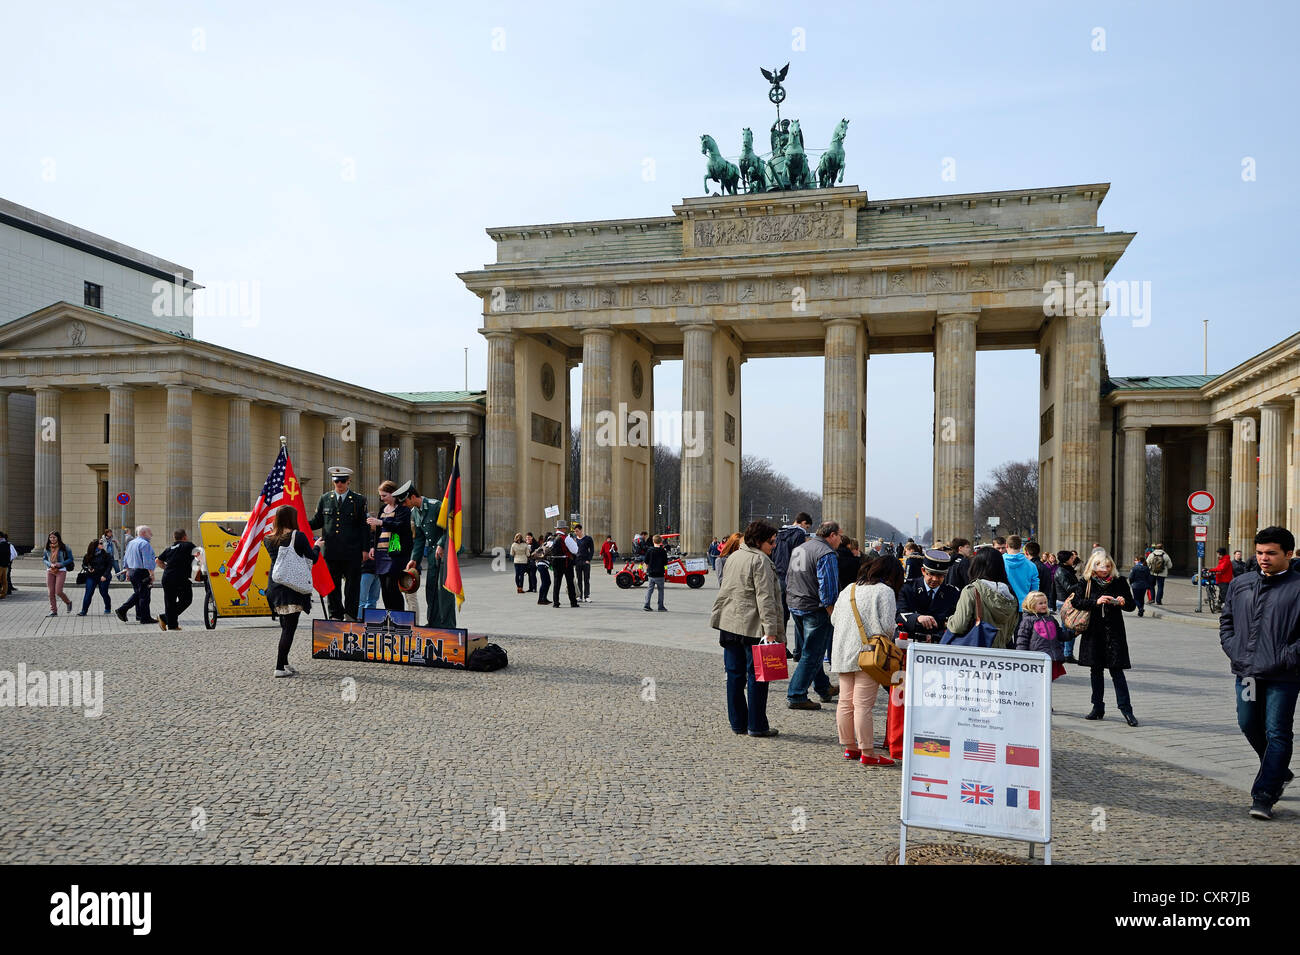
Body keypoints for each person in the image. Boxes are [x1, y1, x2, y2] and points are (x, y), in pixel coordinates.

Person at [1219, 526, 1300, 820]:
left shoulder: (1298, 586)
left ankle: (1264, 794)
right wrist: (1233, 648)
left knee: (1277, 731)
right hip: (1249, 673)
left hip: (1283, 675)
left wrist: (1286, 657)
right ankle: (1280, 770)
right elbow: (1226, 620)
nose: (1263, 558)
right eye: (1260, 552)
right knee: (1248, 723)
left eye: (1271, 553)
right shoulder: (1242, 583)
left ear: (1288, 554)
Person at [710, 520, 783, 738]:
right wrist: (771, 630)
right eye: (771, 542)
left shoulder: (733, 556)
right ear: (759, 540)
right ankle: (757, 725)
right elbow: (765, 598)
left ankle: (738, 723)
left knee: (734, 676)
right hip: (753, 627)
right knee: (758, 677)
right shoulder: (761, 561)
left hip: (729, 624)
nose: (774, 546)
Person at [831, 554, 903, 764]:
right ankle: (868, 752)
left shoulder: (849, 589)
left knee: (845, 702)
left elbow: (834, 619)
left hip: (843, 650)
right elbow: (889, 627)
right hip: (870, 653)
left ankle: (850, 747)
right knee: (863, 705)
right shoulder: (885, 591)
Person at [1072, 550, 1138, 725]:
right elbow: (1076, 602)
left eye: (1108, 566)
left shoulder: (1119, 581)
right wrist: (1096, 601)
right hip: (1093, 632)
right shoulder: (1085, 582)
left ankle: (1126, 710)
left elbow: (1132, 606)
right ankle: (1097, 707)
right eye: (1102, 567)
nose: (1105, 570)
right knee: (1096, 671)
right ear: (1094, 566)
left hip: (1114, 632)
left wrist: (1123, 602)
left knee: (1117, 671)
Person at [785, 521, 843, 709]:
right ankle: (796, 694)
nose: (841, 541)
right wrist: (832, 612)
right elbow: (828, 587)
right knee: (813, 653)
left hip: (796, 604)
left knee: (809, 650)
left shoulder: (800, 548)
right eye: (840, 536)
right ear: (832, 535)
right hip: (814, 608)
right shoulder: (826, 553)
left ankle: (823, 687)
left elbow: (789, 577)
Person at [263, 504, 320, 678]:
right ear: (291, 518)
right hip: (291, 588)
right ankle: (279, 667)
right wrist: (317, 546)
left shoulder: (268, 538)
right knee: (289, 629)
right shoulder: (298, 536)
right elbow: (313, 558)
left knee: (285, 626)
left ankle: (285, 663)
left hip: (275, 586)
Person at [309, 465, 368, 622]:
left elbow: (363, 526)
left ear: (349, 482)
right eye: (336, 482)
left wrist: (365, 549)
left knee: (352, 586)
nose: (339, 485)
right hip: (332, 550)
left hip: (352, 550)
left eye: (342, 481)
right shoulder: (325, 498)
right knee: (332, 585)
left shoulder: (358, 500)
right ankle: (335, 614)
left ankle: (350, 615)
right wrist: (300, 522)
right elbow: (318, 521)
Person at [398, 481, 457, 629]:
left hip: (445, 555)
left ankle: (447, 625)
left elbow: (450, 526)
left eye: (405, 501)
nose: (404, 505)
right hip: (432, 557)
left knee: (444, 592)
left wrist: (441, 543)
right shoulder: (415, 513)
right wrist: (414, 560)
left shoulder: (435, 505)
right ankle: (433, 623)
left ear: (412, 496)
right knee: (431, 590)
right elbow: (419, 539)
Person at [946, 546, 1019, 648]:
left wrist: (949, 621)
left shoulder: (972, 591)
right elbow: (1008, 636)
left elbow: (958, 626)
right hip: (1000, 654)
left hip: (975, 653)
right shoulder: (1011, 595)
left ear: (976, 566)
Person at [896, 548, 961, 642]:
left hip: (940, 644)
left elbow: (956, 621)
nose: (935, 579)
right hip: (911, 641)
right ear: (923, 571)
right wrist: (917, 618)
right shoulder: (908, 588)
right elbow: (899, 614)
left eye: (939, 575)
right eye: (931, 574)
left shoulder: (953, 593)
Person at [366, 480, 412, 612]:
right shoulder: (382, 509)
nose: (382, 498)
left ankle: (399, 617)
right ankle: (389, 616)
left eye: (384, 495)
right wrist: (373, 547)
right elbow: (379, 532)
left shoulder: (403, 510)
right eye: (380, 496)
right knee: (385, 589)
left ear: (393, 494)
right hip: (381, 552)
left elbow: (399, 526)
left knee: (392, 586)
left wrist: (380, 522)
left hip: (395, 554)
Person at [772, 512, 814, 649]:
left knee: (781, 614)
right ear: (803, 523)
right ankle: (799, 650)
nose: (807, 530)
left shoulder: (780, 532)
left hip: (777, 575)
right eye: (807, 527)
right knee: (798, 613)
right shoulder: (799, 534)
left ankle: (781, 647)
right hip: (791, 577)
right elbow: (798, 559)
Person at [1014, 591, 1066, 680]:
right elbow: (1022, 639)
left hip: (1051, 658)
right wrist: (1021, 656)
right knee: (1037, 682)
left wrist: (1073, 633)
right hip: (1037, 658)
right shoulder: (1028, 620)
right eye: (1040, 603)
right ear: (1031, 605)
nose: (1044, 605)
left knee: (1048, 682)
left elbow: (1059, 634)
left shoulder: (1051, 619)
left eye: (1045, 602)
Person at [153, 529, 198, 631]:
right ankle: (165, 618)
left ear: (175, 538)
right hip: (180, 577)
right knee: (186, 600)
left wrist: (167, 569)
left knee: (170, 602)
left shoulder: (170, 548)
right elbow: (199, 554)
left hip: (167, 578)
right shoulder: (188, 545)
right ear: (184, 537)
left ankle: (172, 625)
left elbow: (158, 561)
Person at [116, 525, 157, 624]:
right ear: (143, 533)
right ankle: (141, 616)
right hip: (142, 572)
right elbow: (147, 561)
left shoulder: (131, 543)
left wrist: (127, 571)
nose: (151, 535)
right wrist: (151, 574)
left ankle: (139, 615)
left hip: (133, 571)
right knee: (144, 595)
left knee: (138, 593)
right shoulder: (145, 544)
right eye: (149, 533)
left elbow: (126, 558)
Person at [1054, 550, 1081, 662]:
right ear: (1066, 560)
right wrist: (1082, 583)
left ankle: (1064, 652)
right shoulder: (1062, 571)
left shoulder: (1066, 570)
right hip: (1065, 602)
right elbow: (1068, 588)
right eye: (1071, 558)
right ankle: (1067, 654)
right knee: (1069, 629)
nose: (1073, 559)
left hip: (1067, 601)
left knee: (1067, 628)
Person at [76, 539, 113, 616]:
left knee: (103, 592)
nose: (102, 544)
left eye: (102, 543)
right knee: (88, 593)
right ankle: (84, 611)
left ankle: (108, 607)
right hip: (91, 576)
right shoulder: (88, 555)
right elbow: (84, 565)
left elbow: (109, 567)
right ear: (95, 546)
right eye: (100, 543)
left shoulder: (106, 555)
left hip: (103, 577)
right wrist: (88, 568)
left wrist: (105, 576)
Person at [41, 531, 75, 617]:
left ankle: (68, 602)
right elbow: (44, 559)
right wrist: (49, 564)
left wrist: (61, 564)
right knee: (50, 592)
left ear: (58, 538)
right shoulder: (47, 548)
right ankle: (54, 611)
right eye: (51, 537)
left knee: (58, 591)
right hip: (50, 570)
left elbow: (71, 559)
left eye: (54, 537)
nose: (52, 539)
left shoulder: (64, 547)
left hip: (61, 570)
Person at [1002, 535, 1040, 606]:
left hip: (1005, 606)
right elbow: (1034, 589)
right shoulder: (1031, 565)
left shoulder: (1000, 562)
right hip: (1024, 605)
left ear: (1006, 546)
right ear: (1020, 547)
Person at [642, 533, 668, 612]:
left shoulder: (649, 550)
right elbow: (665, 563)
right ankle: (660, 606)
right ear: (661, 542)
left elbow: (646, 561)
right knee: (661, 591)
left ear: (653, 541)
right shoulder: (663, 551)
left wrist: (647, 568)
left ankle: (647, 605)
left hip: (651, 573)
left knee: (650, 589)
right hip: (660, 574)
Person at [572, 523, 594, 602]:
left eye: (577, 531)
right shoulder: (574, 539)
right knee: (579, 579)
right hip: (577, 562)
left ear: (581, 530)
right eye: (575, 531)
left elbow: (591, 550)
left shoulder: (588, 538)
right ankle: (579, 596)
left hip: (586, 562)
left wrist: (589, 560)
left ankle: (587, 596)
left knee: (586, 579)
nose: (576, 533)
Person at [531, 533, 552, 604]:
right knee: (545, 582)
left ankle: (544, 598)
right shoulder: (548, 544)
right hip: (542, 565)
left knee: (547, 582)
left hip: (541, 565)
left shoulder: (544, 544)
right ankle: (540, 599)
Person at [0, 530, 11, 601]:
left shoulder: (1, 545)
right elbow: (9, 555)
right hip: (5, 565)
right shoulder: (7, 544)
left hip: (0, 565)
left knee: (2, 580)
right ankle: (3, 594)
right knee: (4, 580)